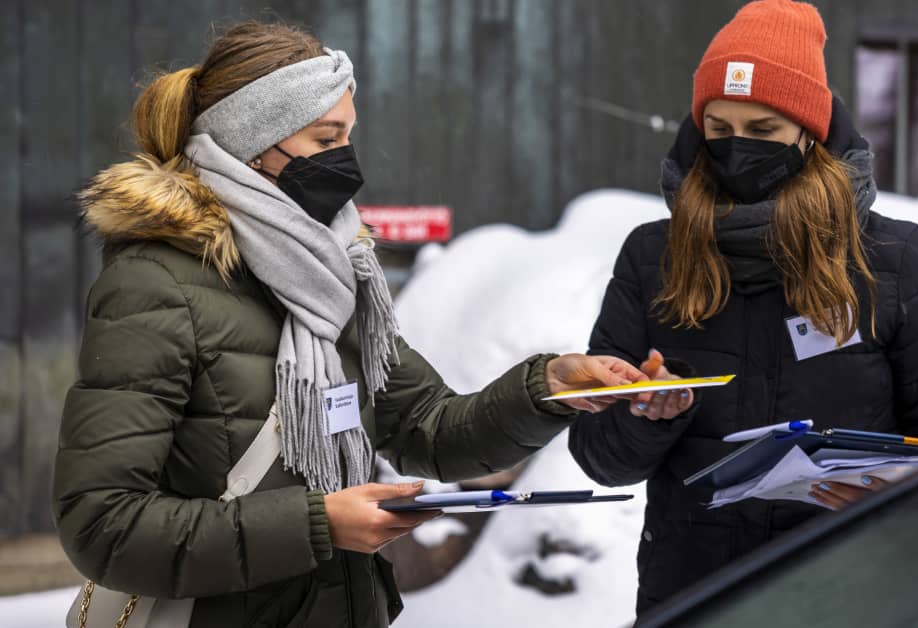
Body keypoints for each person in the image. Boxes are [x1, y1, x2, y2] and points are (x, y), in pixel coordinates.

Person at [54, 22, 645, 628]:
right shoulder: (155, 285)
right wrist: (320, 524)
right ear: (255, 142)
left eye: (348, 136)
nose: (346, 160)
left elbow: (427, 428)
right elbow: (103, 523)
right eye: (326, 138)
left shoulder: (336, 272)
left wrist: (546, 387)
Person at [568, 0, 918, 615]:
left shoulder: (895, 261)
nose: (738, 147)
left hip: (854, 595)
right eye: (719, 129)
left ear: (809, 133)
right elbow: (598, 456)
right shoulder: (651, 257)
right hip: (695, 599)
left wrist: (896, 495)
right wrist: (643, 415)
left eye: (764, 131)